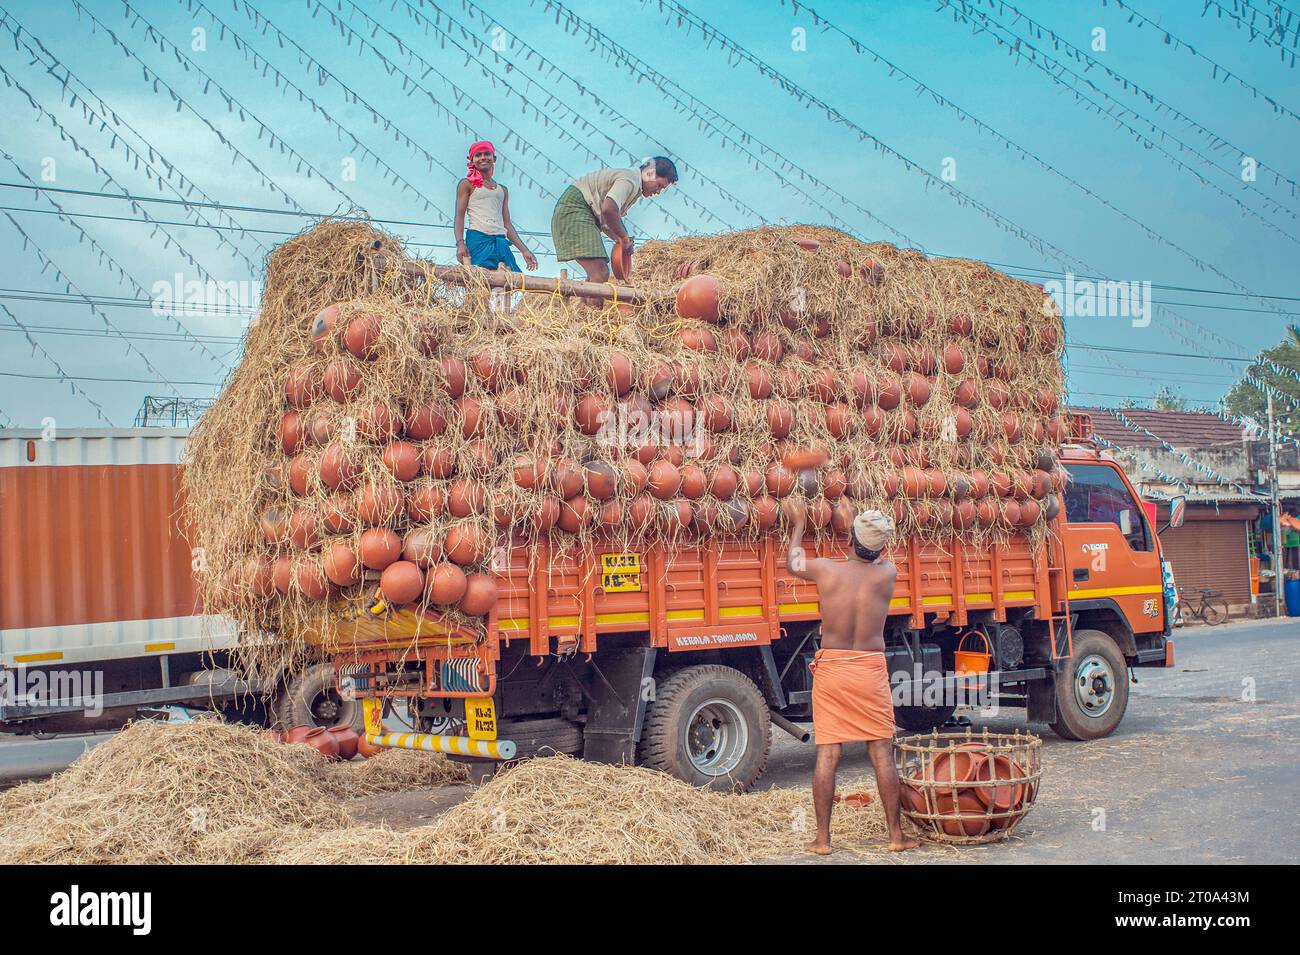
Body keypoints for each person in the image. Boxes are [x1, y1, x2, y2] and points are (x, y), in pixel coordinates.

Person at [785, 502, 919, 855]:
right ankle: (895, 836)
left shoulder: (827, 571)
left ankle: (823, 840)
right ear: (881, 549)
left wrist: (798, 523)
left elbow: (794, 563)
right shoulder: (887, 573)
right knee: (881, 753)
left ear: (848, 540)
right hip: (869, 669)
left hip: (833, 669)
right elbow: (871, 557)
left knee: (828, 755)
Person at [550, 157, 678, 297]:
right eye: (659, 185)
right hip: (575, 209)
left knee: (595, 275)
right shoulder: (630, 180)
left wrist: (620, 239)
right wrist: (623, 237)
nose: (658, 192)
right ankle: (594, 315)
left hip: (583, 211)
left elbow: (606, 220)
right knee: (600, 273)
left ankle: (583, 313)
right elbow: (608, 210)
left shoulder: (634, 187)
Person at [454, 141, 538, 276]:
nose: (483, 158)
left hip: (500, 241)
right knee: (480, 282)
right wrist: (460, 243)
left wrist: (524, 250)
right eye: (478, 155)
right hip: (478, 239)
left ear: (494, 158)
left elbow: (507, 224)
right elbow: (459, 216)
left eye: (487, 154)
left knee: (509, 281)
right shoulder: (467, 184)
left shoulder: (502, 190)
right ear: (472, 160)